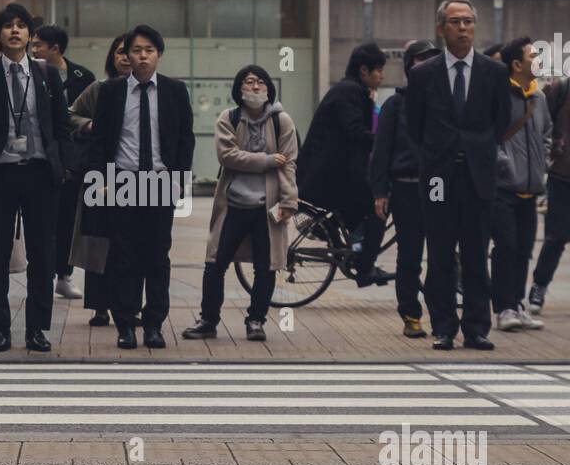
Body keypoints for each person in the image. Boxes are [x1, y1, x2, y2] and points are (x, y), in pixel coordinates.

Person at [0, 1, 71, 354]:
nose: (14, 31)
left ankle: (37, 329)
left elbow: (61, 125)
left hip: (41, 173)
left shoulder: (46, 74)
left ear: (29, 34)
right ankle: (0, 330)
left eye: (21, 25)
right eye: (8, 25)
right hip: (0, 174)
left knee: (42, 254)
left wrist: (63, 166)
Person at [405, 0, 512, 351]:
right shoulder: (423, 74)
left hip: (478, 175)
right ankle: (444, 327)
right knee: (439, 254)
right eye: (455, 22)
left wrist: (479, 150)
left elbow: (501, 122)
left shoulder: (494, 72)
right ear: (441, 28)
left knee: (476, 254)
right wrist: (434, 156)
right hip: (438, 178)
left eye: (468, 21)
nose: (463, 28)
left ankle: (477, 328)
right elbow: (414, 127)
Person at [86, 24, 194, 350]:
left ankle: (154, 324)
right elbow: (100, 140)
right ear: (127, 55)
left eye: (149, 50)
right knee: (123, 256)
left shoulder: (175, 91)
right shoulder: (111, 91)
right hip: (123, 180)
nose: (143, 56)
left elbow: (185, 139)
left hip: (160, 180)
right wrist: (101, 180)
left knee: (157, 256)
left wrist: (178, 180)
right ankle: (125, 324)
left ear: (159, 54)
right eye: (136, 50)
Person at [183, 65, 298, 342]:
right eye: (249, 82)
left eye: (260, 82)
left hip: (267, 208)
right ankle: (208, 320)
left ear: (268, 88)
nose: (255, 87)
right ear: (239, 89)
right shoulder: (229, 118)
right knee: (215, 263)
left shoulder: (282, 121)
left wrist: (289, 201)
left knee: (266, 267)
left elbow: (289, 163)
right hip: (233, 204)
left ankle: (256, 321)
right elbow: (228, 156)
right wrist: (267, 160)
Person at [297, 42, 389, 286]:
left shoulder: (350, 90)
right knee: (378, 207)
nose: (382, 76)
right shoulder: (349, 92)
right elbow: (355, 132)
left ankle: (349, 249)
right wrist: (386, 144)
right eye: (379, 70)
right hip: (326, 176)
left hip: (331, 172)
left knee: (360, 207)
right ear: (363, 70)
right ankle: (365, 267)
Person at [370, 39, 441, 338]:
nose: (427, 65)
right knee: (410, 255)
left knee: (441, 254)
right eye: (421, 59)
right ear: (410, 66)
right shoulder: (395, 105)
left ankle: (441, 315)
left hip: (438, 187)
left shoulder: (444, 103)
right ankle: (411, 314)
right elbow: (381, 151)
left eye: (432, 59)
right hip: (405, 187)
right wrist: (380, 192)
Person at [68, 33, 133, 326]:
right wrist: (88, 125)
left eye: (131, 51)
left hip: (135, 177)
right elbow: (70, 115)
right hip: (100, 175)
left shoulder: (149, 92)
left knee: (131, 242)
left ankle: (129, 305)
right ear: (112, 58)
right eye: (120, 52)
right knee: (99, 240)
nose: (126, 57)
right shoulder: (99, 89)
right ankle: (100, 307)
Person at [491, 37, 550, 332]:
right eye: (533, 55)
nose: (539, 60)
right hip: (503, 188)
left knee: (524, 249)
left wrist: (543, 164)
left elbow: (546, 134)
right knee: (506, 247)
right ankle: (503, 308)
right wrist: (504, 164)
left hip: (530, 188)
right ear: (516, 64)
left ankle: (517, 305)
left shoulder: (539, 98)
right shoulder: (500, 96)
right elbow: (488, 137)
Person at [32, 24, 95, 300]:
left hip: (72, 160)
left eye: (38, 45)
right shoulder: (30, 73)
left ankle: (64, 276)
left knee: (68, 219)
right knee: (42, 220)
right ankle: (42, 275)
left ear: (55, 48)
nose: (34, 50)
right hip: (41, 156)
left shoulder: (83, 76)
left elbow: (89, 115)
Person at [529, 66, 570, 315]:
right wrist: (553, 149)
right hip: (562, 176)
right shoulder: (560, 90)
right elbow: (541, 125)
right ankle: (539, 286)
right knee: (556, 237)